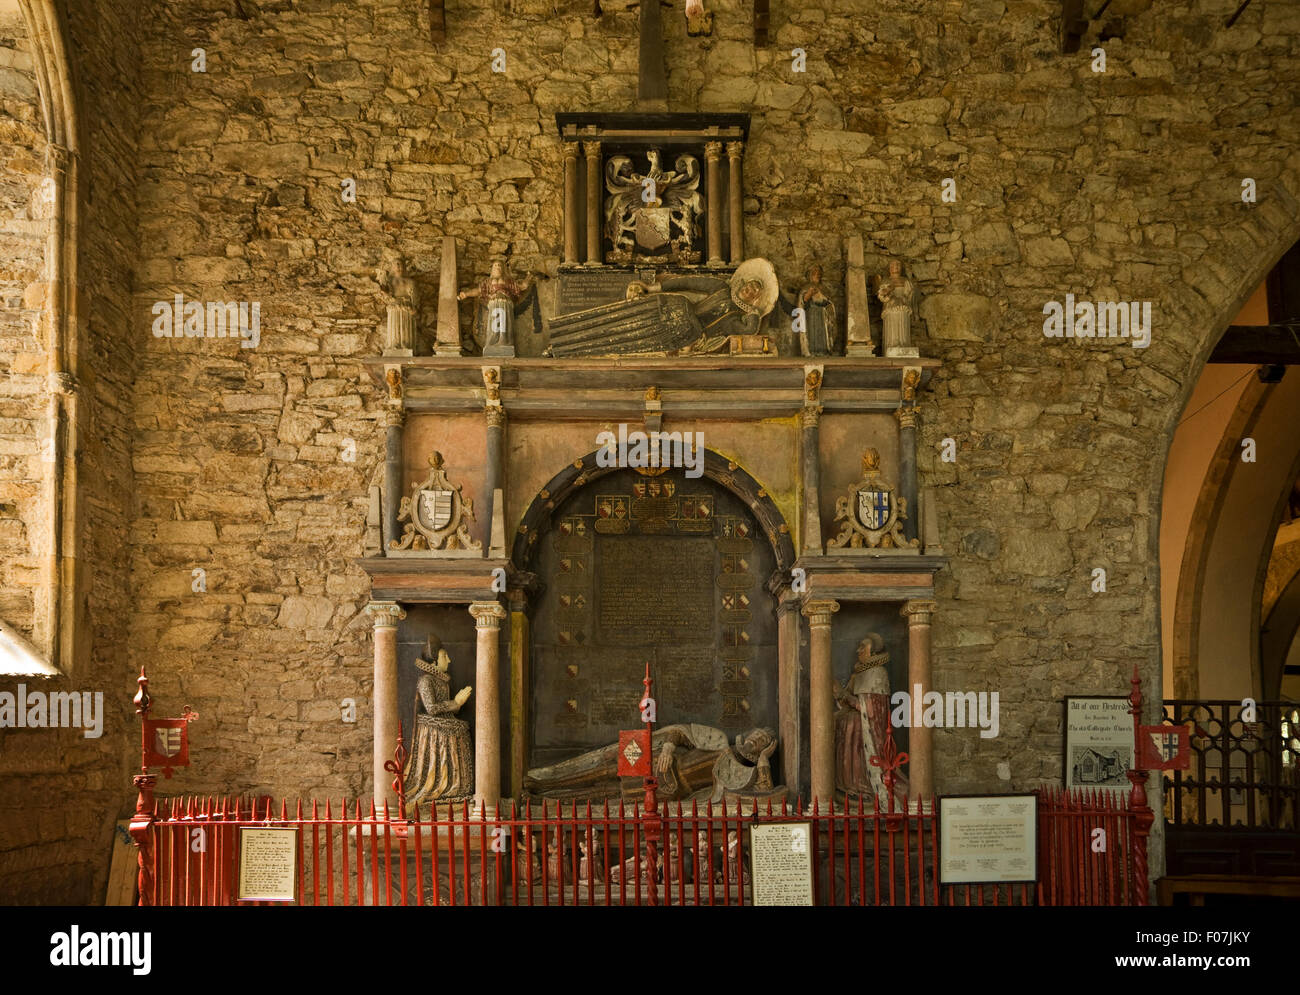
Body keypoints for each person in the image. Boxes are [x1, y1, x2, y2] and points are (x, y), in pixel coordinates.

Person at [404, 637, 473, 804]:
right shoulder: (426, 680)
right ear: (434, 662)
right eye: (444, 656)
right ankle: (446, 785)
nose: (448, 660)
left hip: (445, 724)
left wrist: (457, 704)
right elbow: (432, 708)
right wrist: (455, 703)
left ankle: (457, 786)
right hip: (433, 730)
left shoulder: (441, 680)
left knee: (462, 728)